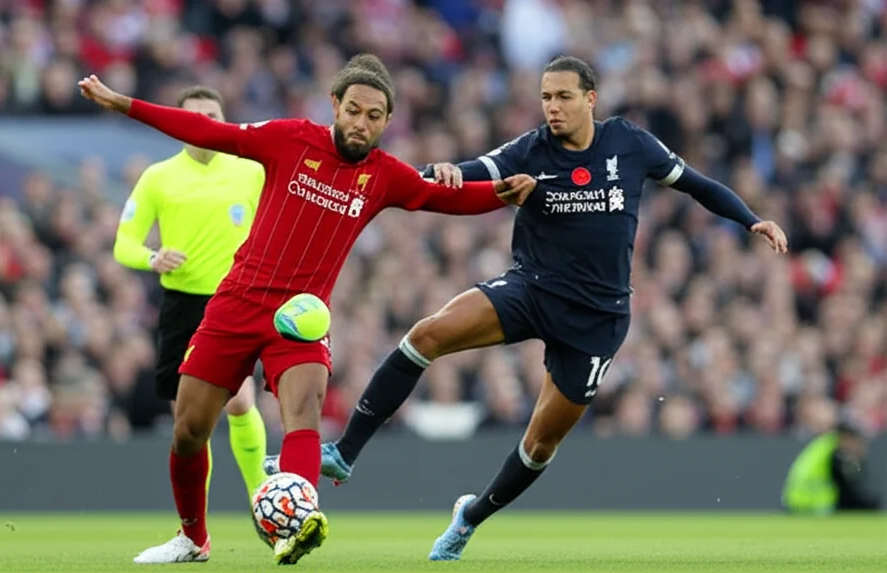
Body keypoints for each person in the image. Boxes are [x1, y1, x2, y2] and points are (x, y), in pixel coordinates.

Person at [290, 55, 790, 561]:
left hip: (597, 319)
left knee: (540, 445)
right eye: (546, 97)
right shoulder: (532, 149)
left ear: (590, 99)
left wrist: (751, 220)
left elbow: (696, 184)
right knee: (427, 334)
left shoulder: (629, 143)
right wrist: (437, 173)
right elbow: (475, 171)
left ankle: (470, 517)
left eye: (564, 97)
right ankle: (344, 452)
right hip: (532, 290)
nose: (552, 107)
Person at [78, 54, 537, 565]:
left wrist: (502, 195)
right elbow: (210, 133)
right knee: (188, 431)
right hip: (236, 303)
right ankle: (193, 538)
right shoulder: (289, 138)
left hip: (300, 318)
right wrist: (124, 104)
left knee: (303, 417)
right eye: (355, 110)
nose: (362, 123)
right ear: (335, 105)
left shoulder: (385, 176)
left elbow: (445, 198)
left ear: (387, 122)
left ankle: (296, 523)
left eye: (375, 116)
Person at [112, 85, 270, 557]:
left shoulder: (251, 170)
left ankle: (262, 500)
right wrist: (152, 257)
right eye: (194, 116)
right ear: (178, 123)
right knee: (188, 425)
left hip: (236, 301)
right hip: (182, 306)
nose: (205, 122)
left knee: (241, 402)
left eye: (213, 114)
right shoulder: (159, 177)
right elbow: (124, 243)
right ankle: (194, 533)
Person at [782, 413, 882, 514]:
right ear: (847, 437)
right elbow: (844, 486)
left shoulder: (825, 445)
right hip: (813, 503)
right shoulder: (834, 452)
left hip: (797, 500)